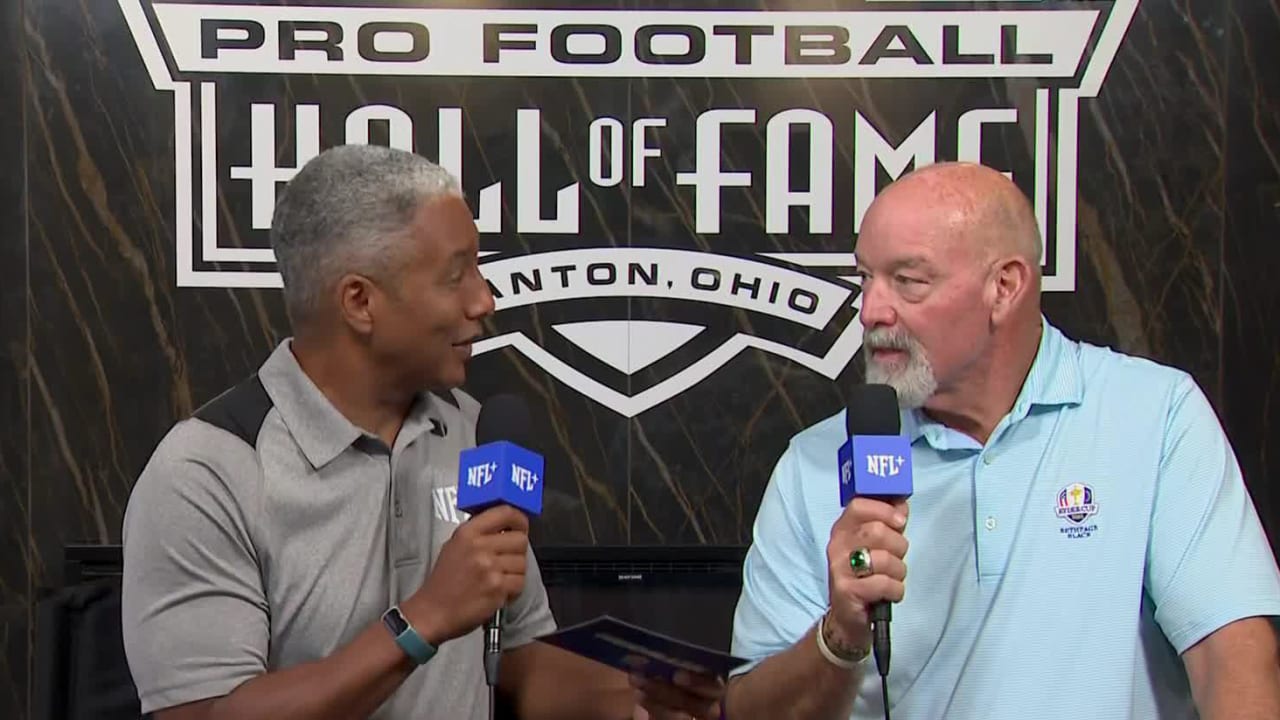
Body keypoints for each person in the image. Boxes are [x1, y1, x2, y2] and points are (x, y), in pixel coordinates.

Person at [121, 144, 704, 720]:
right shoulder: (207, 473)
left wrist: (638, 696)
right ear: (359, 302)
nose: (485, 299)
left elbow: (516, 662)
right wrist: (422, 619)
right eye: (456, 276)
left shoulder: (475, 432)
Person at [720, 162, 1280, 719]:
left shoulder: (1154, 415)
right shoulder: (815, 465)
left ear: (1005, 287)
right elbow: (745, 713)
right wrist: (840, 636)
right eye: (865, 278)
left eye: (908, 281)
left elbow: (1234, 662)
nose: (871, 310)